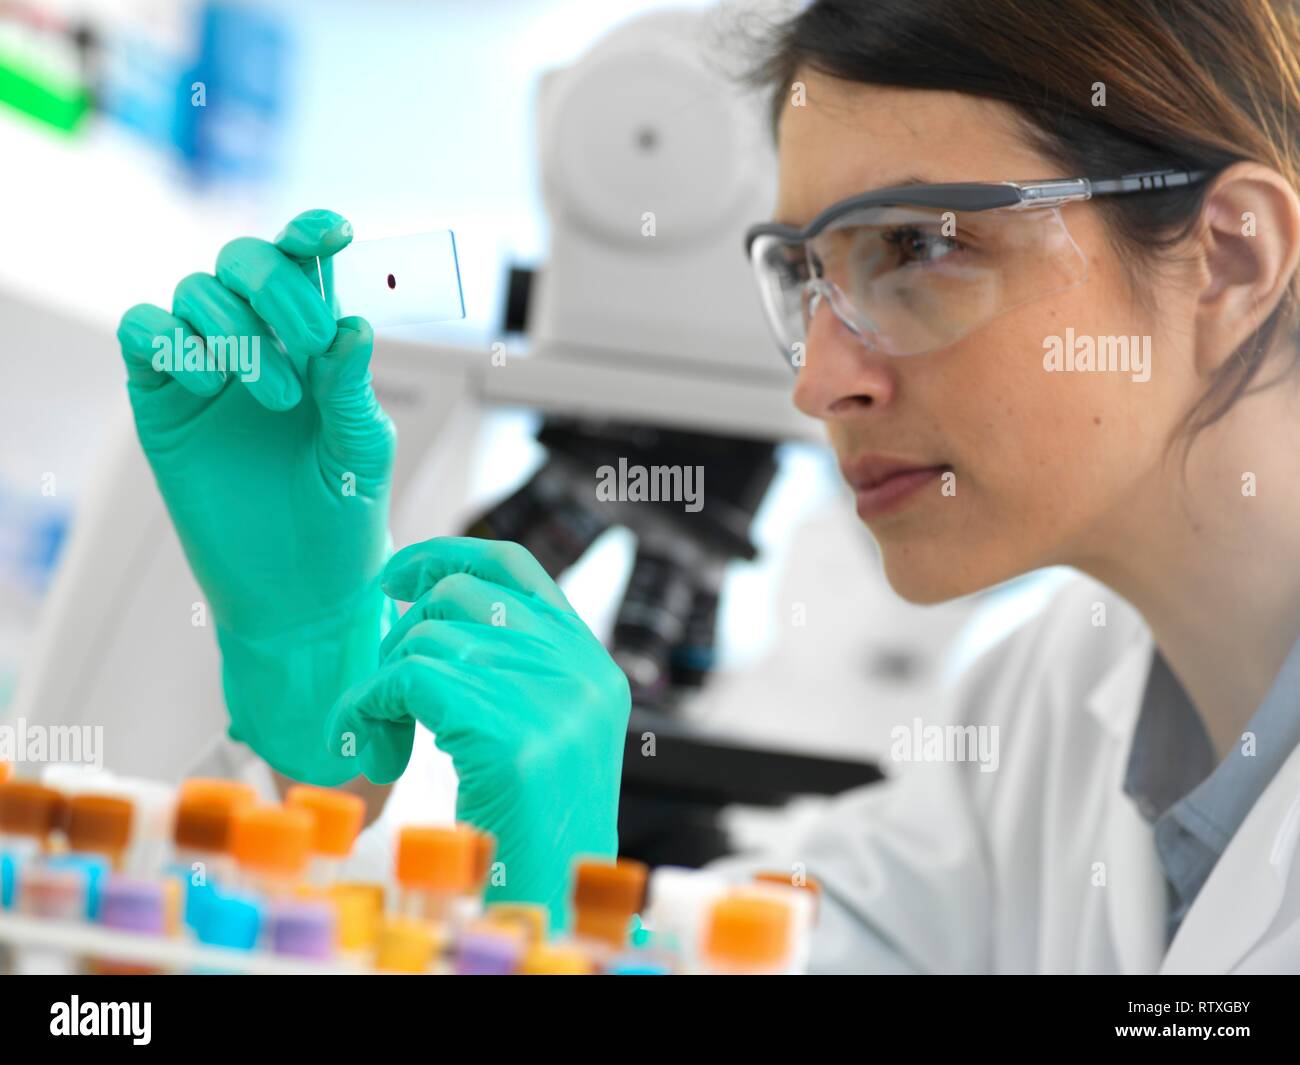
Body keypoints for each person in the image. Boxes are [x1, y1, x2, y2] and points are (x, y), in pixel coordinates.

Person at [116, 0, 1300, 969]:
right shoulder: (1044, 705)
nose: (820, 381)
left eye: (917, 247)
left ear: (1231, 254)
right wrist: (300, 763)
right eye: (803, 275)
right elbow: (725, 958)